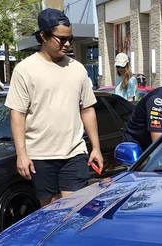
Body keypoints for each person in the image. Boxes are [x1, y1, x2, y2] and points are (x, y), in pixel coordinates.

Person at [6, 8, 103, 207]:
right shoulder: (25, 69)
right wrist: (22, 154)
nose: (67, 44)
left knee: (73, 210)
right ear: (43, 35)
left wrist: (96, 148)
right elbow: (17, 114)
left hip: (74, 153)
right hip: (40, 155)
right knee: (50, 212)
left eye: (70, 39)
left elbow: (87, 109)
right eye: (61, 39)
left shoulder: (77, 68)